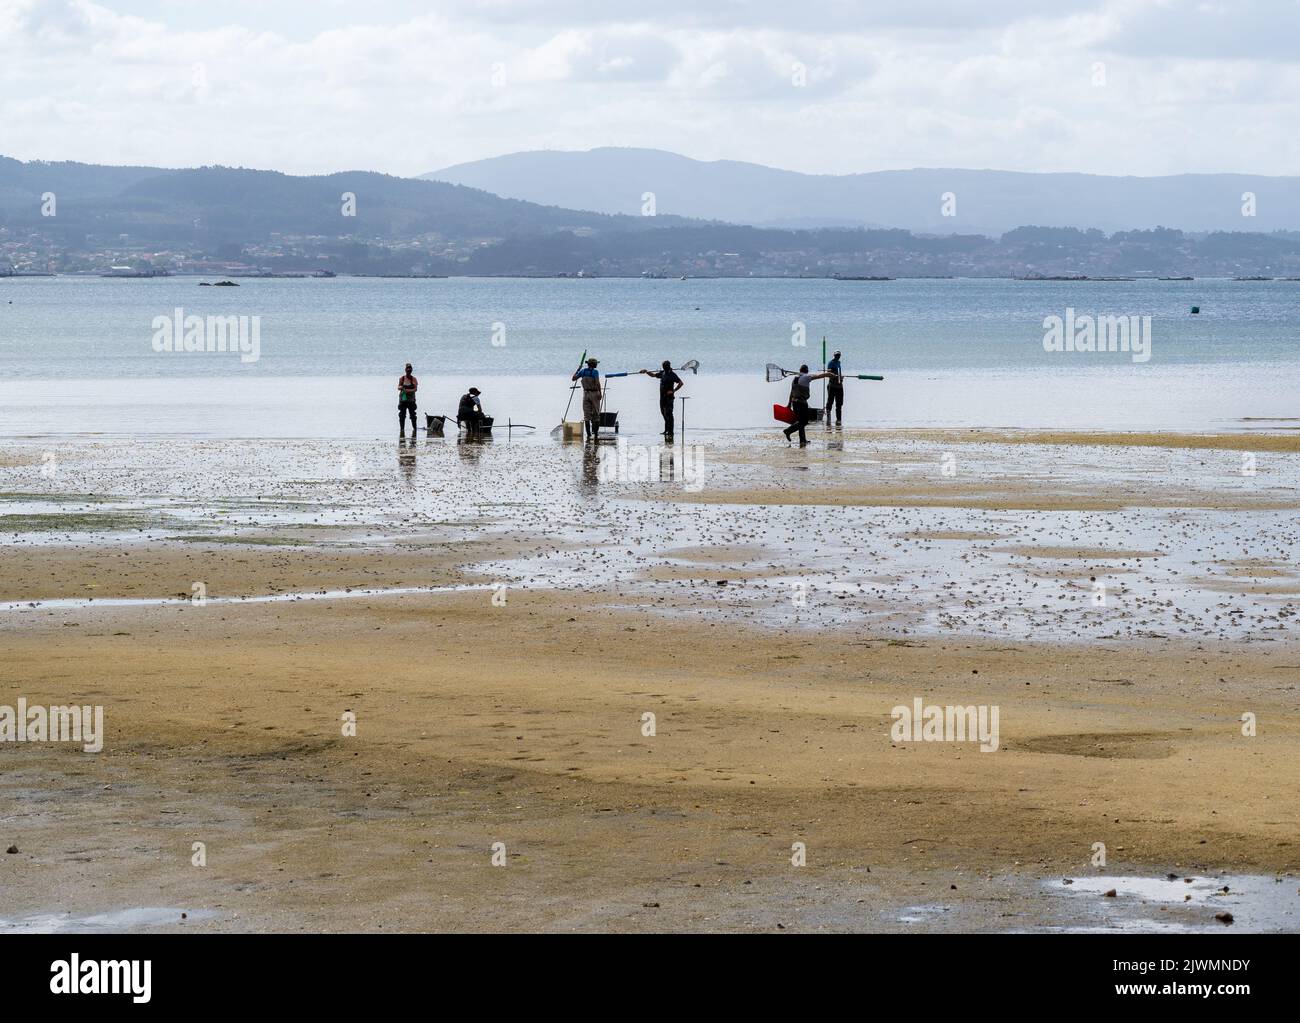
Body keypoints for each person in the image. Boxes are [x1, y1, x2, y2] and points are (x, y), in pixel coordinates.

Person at [783, 364, 833, 446]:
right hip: (801, 403)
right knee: (804, 421)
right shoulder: (806, 377)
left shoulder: (795, 378)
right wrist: (828, 374)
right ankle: (788, 431)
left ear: (800, 370)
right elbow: (817, 376)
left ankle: (802, 440)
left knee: (800, 421)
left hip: (794, 403)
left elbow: (791, 392)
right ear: (807, 371)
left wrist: (789, 404)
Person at [639, 360, 683, 438]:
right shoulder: (662, 373)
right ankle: (666, 430)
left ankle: (670, 432)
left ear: (668, 366)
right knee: (663, 413)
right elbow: (653, 375)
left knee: (669, 414)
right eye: (663, 366)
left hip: (669, 398)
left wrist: (673, 390)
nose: (664, 367)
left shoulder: (672, 375)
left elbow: (681, 383)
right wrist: (646, 371)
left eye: (665, 366)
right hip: (662, 398)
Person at [572, 357, 603, 438]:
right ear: (594, 364)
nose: (597, 364)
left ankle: (589, 435)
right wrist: (600, 393)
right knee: (596, 414)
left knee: (586, 415)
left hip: (585, 394)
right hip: (594, 393)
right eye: (596, 363)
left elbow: (573, 378)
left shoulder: (583, 371)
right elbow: (597, 383)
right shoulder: (595, 372)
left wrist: (578, 369)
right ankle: (595, 434)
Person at [397, 363, 419, 434]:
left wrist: (407, 391)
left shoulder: (414, 379)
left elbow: (415, 389)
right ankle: (402, 430)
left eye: (410, 368)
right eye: (408, 368)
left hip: (411, 400)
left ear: (412, 370)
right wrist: (402, 388)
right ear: (405, 370)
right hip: (403, 400)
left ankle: (415, 429)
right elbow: (398, 387)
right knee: (402, 415)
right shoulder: (402, 378)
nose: (409, 370)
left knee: (413, 415)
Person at [826, 349, 844, 425]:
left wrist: (841, 377)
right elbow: (828, 372)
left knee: (839, 404)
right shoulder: (831, 363)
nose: (837, 356)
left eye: (839, 355)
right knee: (830, 402)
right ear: (834, 355)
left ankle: (839, 420)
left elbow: (839, 373)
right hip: (832, 385)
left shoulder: (839, 363)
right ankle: (828, 418)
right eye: (836, 355)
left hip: (839, 386)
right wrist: (834, 375)